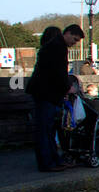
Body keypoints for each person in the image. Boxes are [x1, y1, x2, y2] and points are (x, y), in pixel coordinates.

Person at [25, 24, 83, 172]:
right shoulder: (58, 47)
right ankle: (48, 163)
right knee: (45, 130)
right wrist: (67, 87)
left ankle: (53, 160)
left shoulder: (54, 45)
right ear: (68, 33)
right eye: (74, 39)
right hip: (46, 94)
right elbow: (57, 72)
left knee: (48, 130)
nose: (74, 43)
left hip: (45, 93)